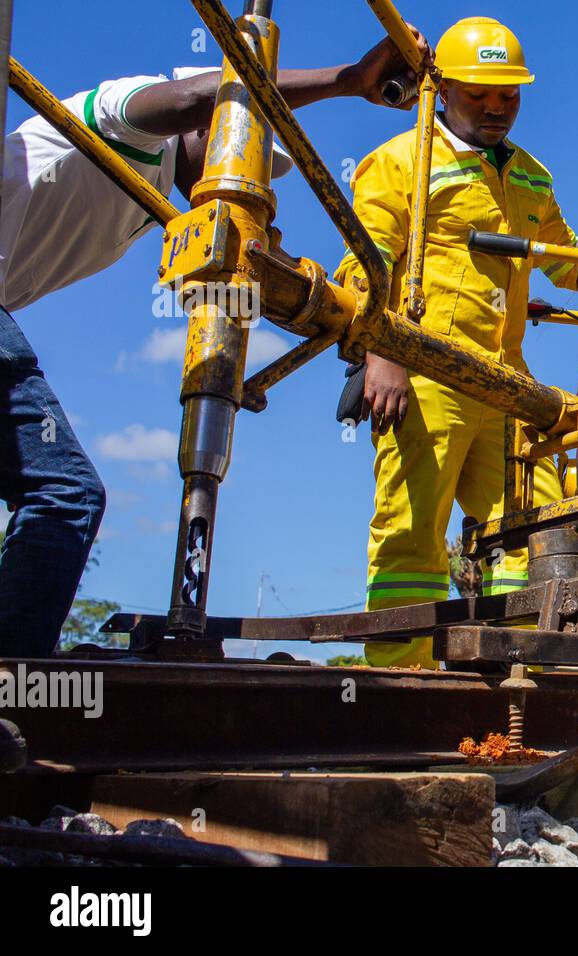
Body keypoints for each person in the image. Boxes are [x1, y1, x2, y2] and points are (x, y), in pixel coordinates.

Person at [0, 28, 432, 659]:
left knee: (62, 495)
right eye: (239, 146)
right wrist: (348, 79)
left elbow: (254, 253)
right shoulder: (129, 116)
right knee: (65, 493)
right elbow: (193, 100)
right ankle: (16, 683)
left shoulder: (164, 208)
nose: (241, 170)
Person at [339, 17, 578, 669]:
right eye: (481, 94)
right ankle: (400, 677)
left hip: (506, 386)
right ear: (443, 89)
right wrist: (382, 353)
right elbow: (366, 263)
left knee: (529, 533)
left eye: (509, 95)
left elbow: (567, 262)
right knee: (412, 533)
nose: (498, 107)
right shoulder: (399, 163)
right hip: (425, 377)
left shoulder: (530, 176)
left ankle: (520, 667)